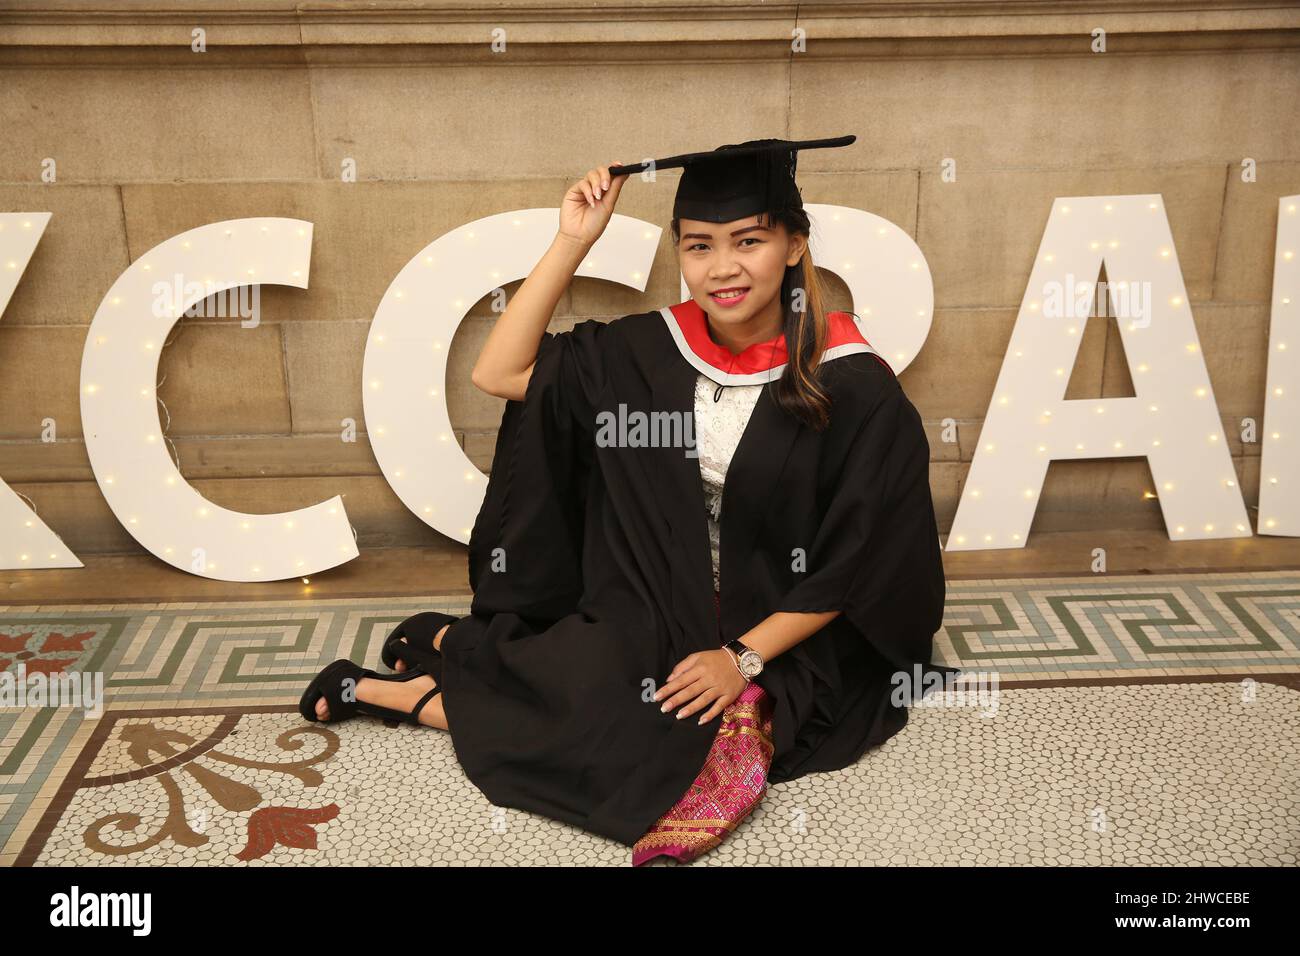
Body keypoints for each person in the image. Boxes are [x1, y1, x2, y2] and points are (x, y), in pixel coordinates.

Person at [299, 135, 957, 866]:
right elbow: (500, 370)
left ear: (796, 244)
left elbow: (858, 559)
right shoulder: (651, 351)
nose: (723, 268)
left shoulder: (854, 383)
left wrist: (739, 659)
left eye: (749, 241)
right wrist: (570, 241)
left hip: (787, 620)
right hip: (660, 597)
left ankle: (418, 686)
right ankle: (413, 681)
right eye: (699, 246)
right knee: (598, 688)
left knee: (670, 736)